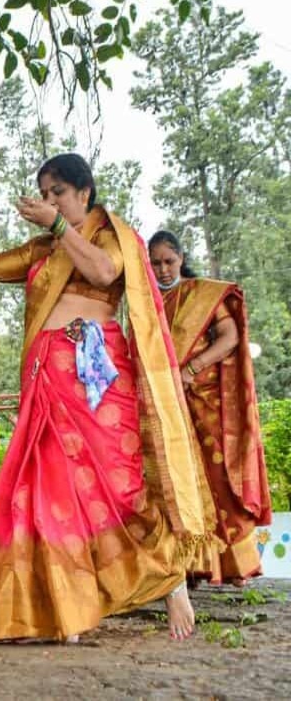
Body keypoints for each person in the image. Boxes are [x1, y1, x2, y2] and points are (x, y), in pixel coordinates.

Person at [0, 153, 217, 643]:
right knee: (50, 491)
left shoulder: (112, 235)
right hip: (47, 375)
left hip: (96, 375)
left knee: (117, 488)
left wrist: (58, 227)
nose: (49, 201)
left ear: (84, 193)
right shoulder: (46, 247)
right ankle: (65, 606)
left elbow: (101, 273)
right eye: (44, 194)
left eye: (58, 193)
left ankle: (169, 578)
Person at [148, 230, 272, 585]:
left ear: (182, 258)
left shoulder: (203, 293)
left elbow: (230, 336)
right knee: (179, 483)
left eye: (169, 261)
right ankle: (192, 566)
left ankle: (232, 566)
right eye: (155, 263)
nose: (163, 269)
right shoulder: (151, 303)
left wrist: (190, 370)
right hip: (170, 405)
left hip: (205, 401)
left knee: (217, 479)